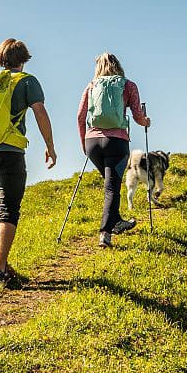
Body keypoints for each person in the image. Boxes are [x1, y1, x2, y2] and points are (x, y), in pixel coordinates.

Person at [0, 38, 57, 286]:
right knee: (10, 207)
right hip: (10, 150)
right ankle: (0, 271)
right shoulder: (27, 81)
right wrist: (50, 146)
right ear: (24, 59)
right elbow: (40, 112)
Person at [76, 52, 151, 247]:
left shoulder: (91, 86)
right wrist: (146, 121)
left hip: (92, 143)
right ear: (118, 65)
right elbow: (137, 116)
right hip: (116, 143)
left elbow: (80, 116)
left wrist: (83, 142)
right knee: (112, 187)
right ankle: (105, 233)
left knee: (112, 185)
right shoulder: (128, 85)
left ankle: (116, 221)